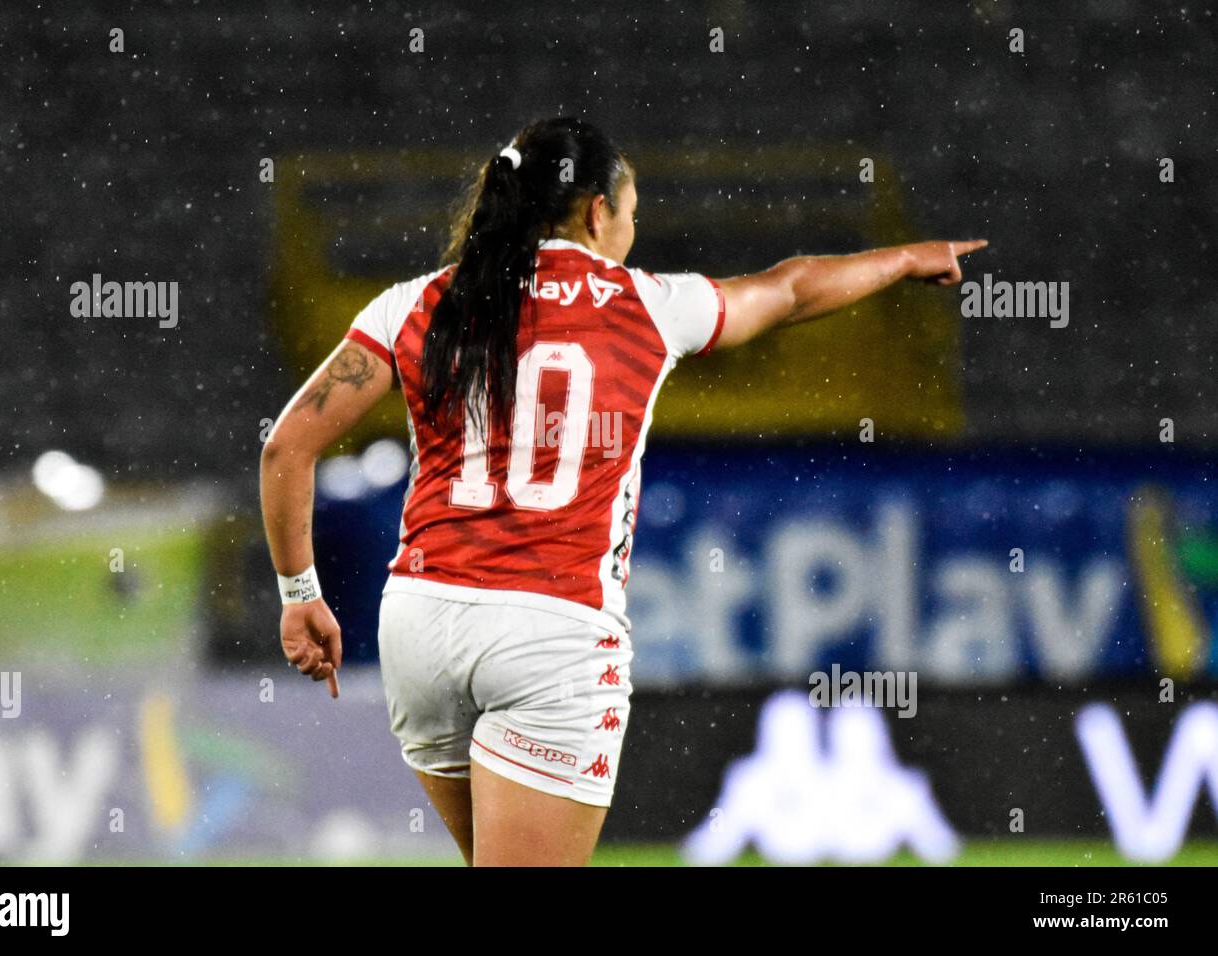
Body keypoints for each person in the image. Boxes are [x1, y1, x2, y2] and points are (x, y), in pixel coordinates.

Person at [259, 116, 986, 866]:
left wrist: (300, 593)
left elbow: (288, 446)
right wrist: (901, 260)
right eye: (631, 214)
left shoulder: (415, 303)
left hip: (420, 626)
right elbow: (790, 290)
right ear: (597, 212)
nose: (630, 231)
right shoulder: (646, 302)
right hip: (550, 633)